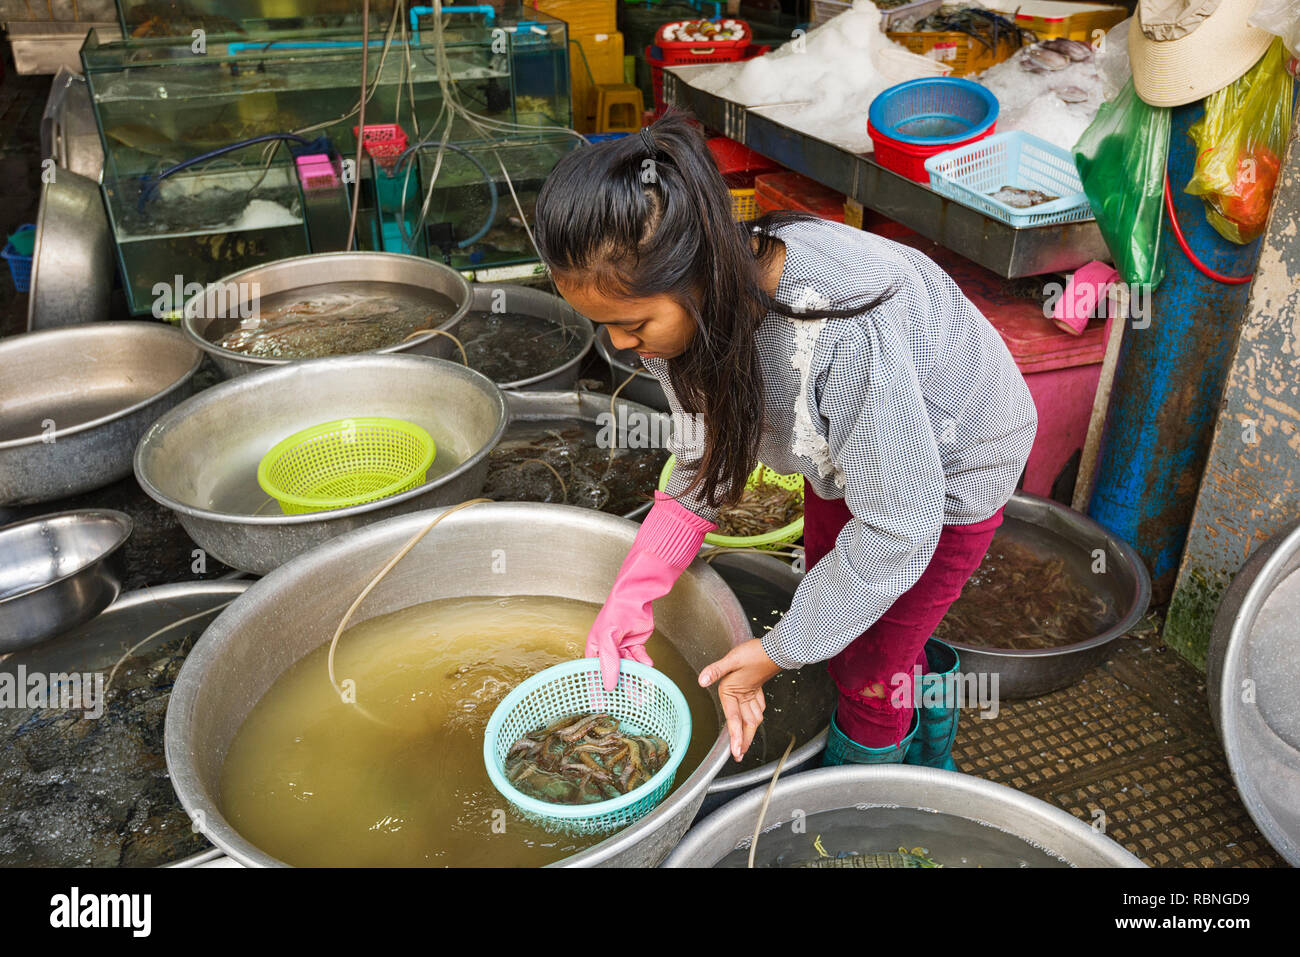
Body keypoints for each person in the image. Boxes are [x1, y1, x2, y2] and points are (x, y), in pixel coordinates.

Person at [532, 112, 1036, 769]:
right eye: (603, 326)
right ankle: (914, 671)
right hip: (856, 457)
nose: (620, 346)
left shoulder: (837, 331)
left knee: (865, 670)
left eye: (630, 324)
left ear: (698, 272)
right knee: (854, 615)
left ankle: (876, 810)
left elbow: (900, 528)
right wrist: (632, 593)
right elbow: (702, 463)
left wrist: (774, 652)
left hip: (953, 461)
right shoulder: (677, 316)